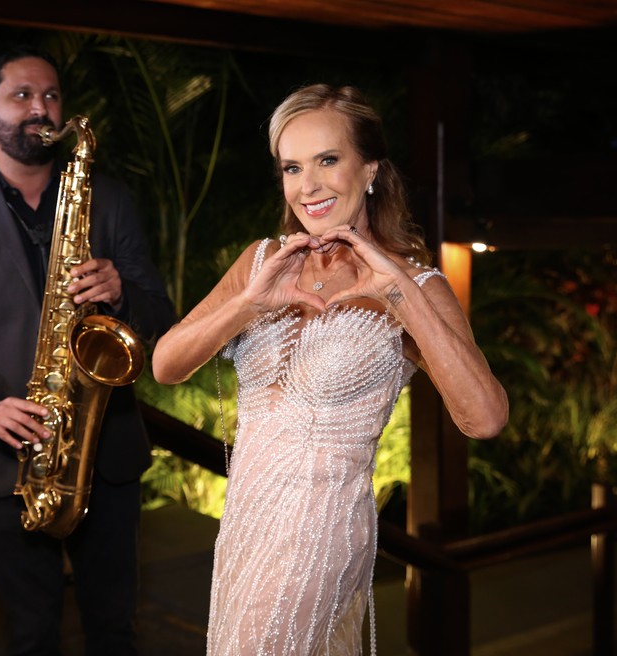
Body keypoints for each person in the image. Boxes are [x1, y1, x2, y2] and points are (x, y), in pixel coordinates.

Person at [152, 84, 509, 655]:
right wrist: (250, 304)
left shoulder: (416, 284)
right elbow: (166, 364)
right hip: (246, 519)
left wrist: (398, 295)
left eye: (327, 160)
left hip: (320, 532)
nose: (308, 185)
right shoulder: (261, 261)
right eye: (292, 167)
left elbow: (485, 418)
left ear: (369, 169)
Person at [0, 45, 175, 655]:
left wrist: (122, 293)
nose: (39, 108)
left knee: (114, 629)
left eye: (51, 95)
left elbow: (158, 310)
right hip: (11, 460)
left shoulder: (106, 197)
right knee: (31, 635)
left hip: (105, 453)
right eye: (21, 95)